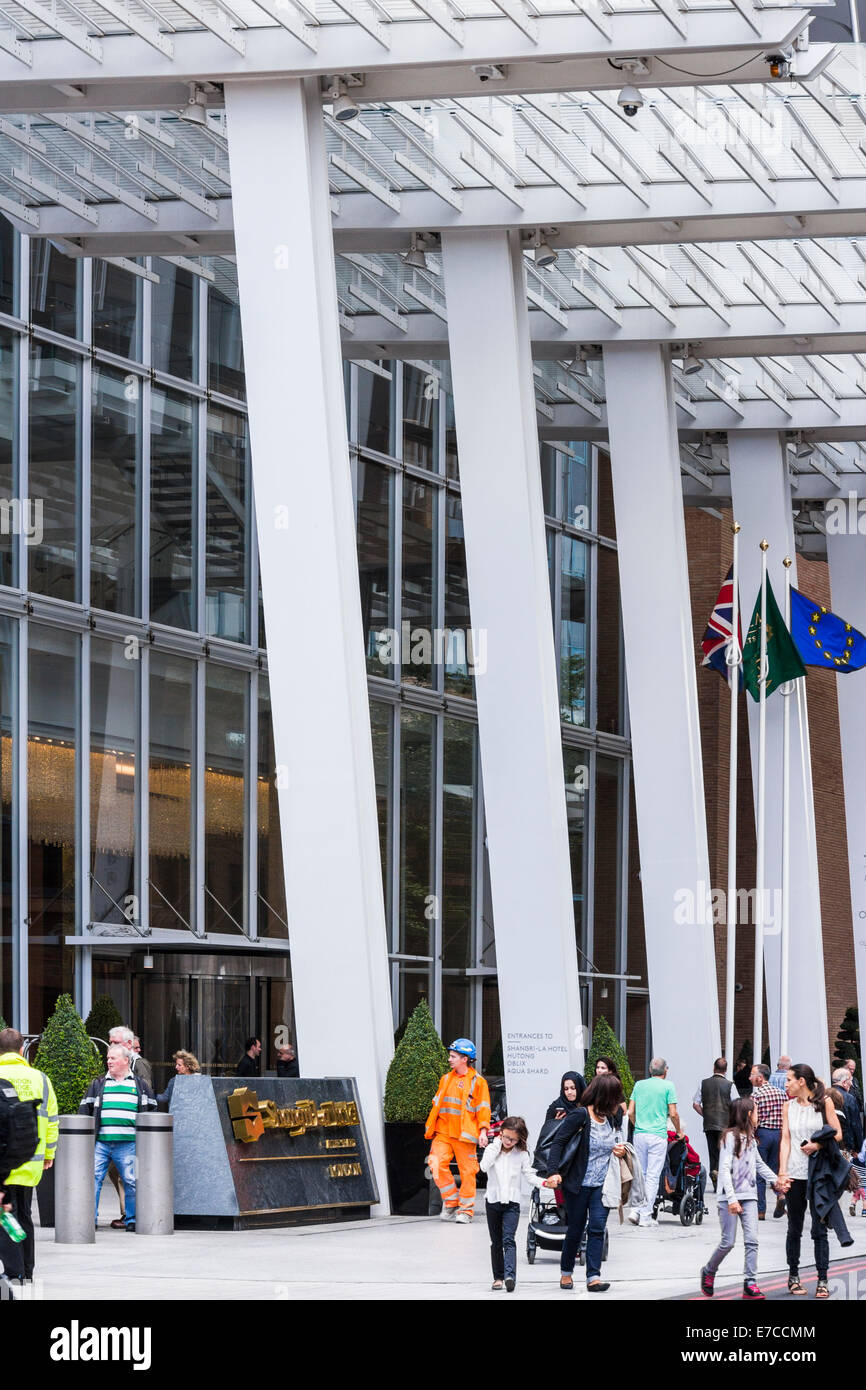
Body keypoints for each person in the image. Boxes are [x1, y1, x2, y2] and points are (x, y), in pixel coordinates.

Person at [699, 1096, 786, 1300]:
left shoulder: (751, 1138)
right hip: (728, 1198)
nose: (758, 1115)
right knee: (728, 1242)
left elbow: (759, 1164)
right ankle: (709, 1270)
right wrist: (732, 1199)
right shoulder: (730, 1137)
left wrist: (776, 1181)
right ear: (748, 1114)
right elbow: (724, 1170)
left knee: (752, 1240)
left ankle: (750, 1283)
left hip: (749, 1196)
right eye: (756, 1111)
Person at [546, 1073, 627, 1292]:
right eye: (614, 1098)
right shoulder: (581, 1116)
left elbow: (610, 1144)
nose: (618, 1103)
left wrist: (617, 1151)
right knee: (576, 1228)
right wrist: (553, 1172)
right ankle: (566, 1272)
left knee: (598, 1227)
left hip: (601, 1185)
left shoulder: (610, 1119)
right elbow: (558, 1143)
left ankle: (593, 1277)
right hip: (578, 1184)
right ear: (604, 1097)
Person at [778, 1062, 842, 1298]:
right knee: (794, 1227)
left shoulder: (824, 1103)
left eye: (788, 1080)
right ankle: (793, 1276)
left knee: (819, 1228)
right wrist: (782, 1172)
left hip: (818, 1174)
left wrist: (818, 1144)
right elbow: (785, 1139)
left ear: (801, 1081)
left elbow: (838, 1133)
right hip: (795, 1174)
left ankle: (822, 1279)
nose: (786, 1084)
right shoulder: (787, 1106)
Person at [0, 1027, 58, 1285]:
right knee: (24, 1214)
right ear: (22, 1049)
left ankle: (14, 1271)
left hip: (3, 1160)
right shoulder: (40, 1078)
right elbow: (52, 1118)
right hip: (30, 1158)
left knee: (5, 1216)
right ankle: (27, 1269)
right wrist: (49, 1153)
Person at [79, 1043, 157, 1231]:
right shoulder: (98, 1083)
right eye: (108, 1058)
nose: (109, 1061)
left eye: (113, 1058)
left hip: (129, 1144)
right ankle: (90, 1219)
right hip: (101, 1143)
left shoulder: (140, 1085)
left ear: (125, 1060)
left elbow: (152, 1110)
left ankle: (132, 1220)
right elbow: (84, 1110)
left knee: (131, 1180)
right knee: (93, 1179)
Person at [425, 1038, 490, 1224]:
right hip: (443, 1132)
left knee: (467, 1172)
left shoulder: (478, 1082)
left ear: (465, 1059)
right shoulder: (445, 1079)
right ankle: (452, 1201)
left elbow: (483, 1108)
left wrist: (483, 1131)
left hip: (465, 1134)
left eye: (453, 1056)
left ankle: (466, 1210)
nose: (449, 1059)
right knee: (435, 1164)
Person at [480, 1116, 545, 1291]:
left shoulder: (522, 1154)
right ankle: (498, 1278)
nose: (509, 1141)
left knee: (509, 1239)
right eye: (506, 1137)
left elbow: (529, 1175)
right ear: (501, 1133)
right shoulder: (492, 1149)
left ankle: (510, 1276)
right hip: (492, 1200)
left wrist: (544, 1183)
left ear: (519, 1139)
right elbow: (484, 1167)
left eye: (513, 1139)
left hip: (512, 1204)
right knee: (496, 1242)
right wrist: (495, 1146)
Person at [628, 1058, 681, 1228]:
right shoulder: (668, 1086)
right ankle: (645, 1216)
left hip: (639, 1135)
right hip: (658, 1135)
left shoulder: (639, 1085)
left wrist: (638, 1125)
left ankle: (635, 1210)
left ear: (650, 1070)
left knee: (640, 1174)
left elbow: (630, 1112)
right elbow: (673, 1113)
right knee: (652, 1176)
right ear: (665, 1070)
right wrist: (679, 1130)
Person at [693, 1058, 738, 1191]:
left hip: (709, 1124)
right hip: (725, 1125)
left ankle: (714, 1176)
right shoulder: (730, 1085)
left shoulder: (703, 1083)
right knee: (724, 1153)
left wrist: (706, 1115)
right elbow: (736, 1105)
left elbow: (695, 1104)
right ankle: (723, 1183)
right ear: (726, 1070)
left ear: (714, 1068)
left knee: (713, 1153)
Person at [751, 1063, 786, 1221]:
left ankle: (760, 1210)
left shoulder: (756, 1095)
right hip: (778, 1134)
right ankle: (780, 1195)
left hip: (762, 1135)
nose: (749, 1077)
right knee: (774, 1170)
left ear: (759, 1078)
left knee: (759, 1171)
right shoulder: (781, 1093)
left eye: (752, 1075)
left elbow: (754, 1119)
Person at [831, 1068, 863, 1155]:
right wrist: (858, 1148)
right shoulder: (849, 1098)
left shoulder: (825, 1095)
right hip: (846, 1146)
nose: (851, 1084)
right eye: (850, 1081)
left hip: (829, 1145)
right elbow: (855, 1125)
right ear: (844, 1082)